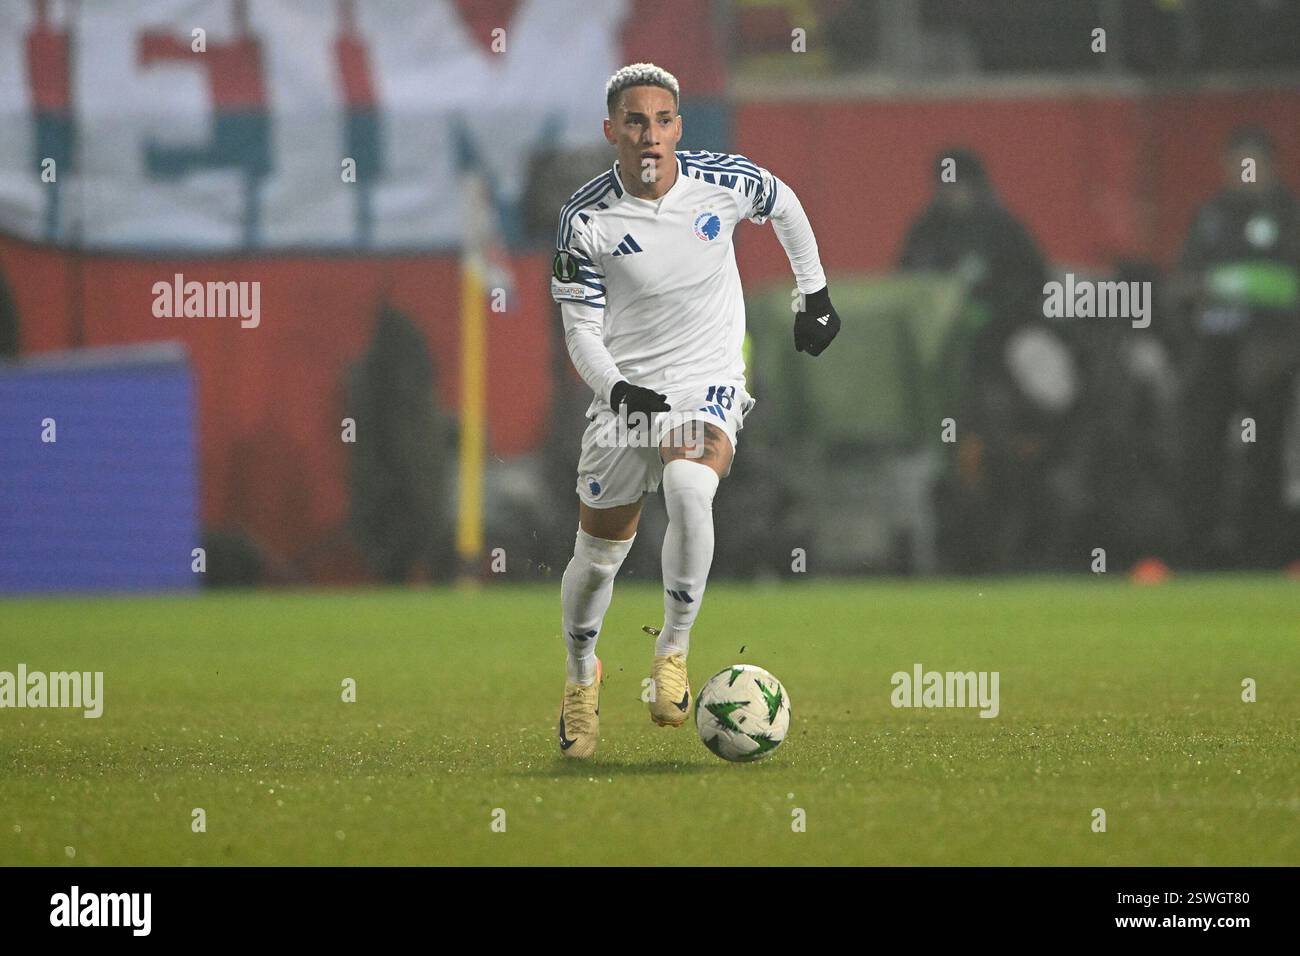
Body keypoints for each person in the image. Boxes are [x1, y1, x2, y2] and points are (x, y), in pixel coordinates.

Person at [550, 63, 838, 758]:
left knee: (688, 485)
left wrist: (815, 295)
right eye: (636, 122)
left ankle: (671, 652)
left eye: (664, 121)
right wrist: (617, 391)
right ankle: (581, 679)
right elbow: (582, 332)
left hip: (704, 380)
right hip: (625, 393)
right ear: (612, 130)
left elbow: (785, 202)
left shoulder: (723, 179)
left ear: (679, 127)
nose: (651, 136)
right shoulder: (583, 218)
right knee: (597, 560)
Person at [1175, 127, 1300, 568]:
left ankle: (1266, 553)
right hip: (1214, 353)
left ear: (1271, 167)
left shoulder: (1288, 215)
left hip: (1272, 356)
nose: (1243, 174)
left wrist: (1226, 284)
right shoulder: (1211, 214)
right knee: (1202, 451)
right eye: (1236, 165)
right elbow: (1186, 282)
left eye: (1252, 164)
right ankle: (1200, 553)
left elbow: (1288, 286)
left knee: (1265, 454)